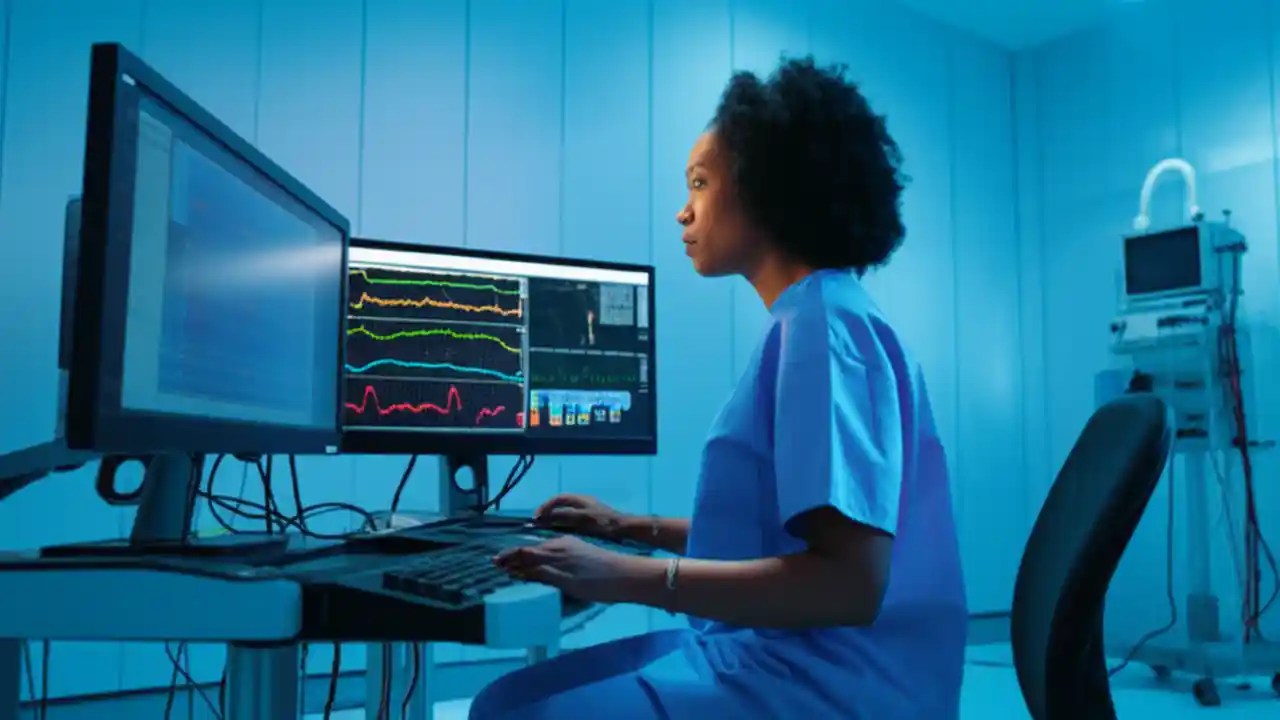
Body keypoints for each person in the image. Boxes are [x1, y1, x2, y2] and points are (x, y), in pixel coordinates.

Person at [470, 56, 967, 719]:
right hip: (802, 658)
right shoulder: (816, 316)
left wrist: (624, 575)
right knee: (512, 696)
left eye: (701, 183)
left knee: (509, 713)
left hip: (836, 685)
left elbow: (848, 584)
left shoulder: (824, 326)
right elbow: (786, 540)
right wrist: (630, 527)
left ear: (768, 187)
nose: (683, 212)